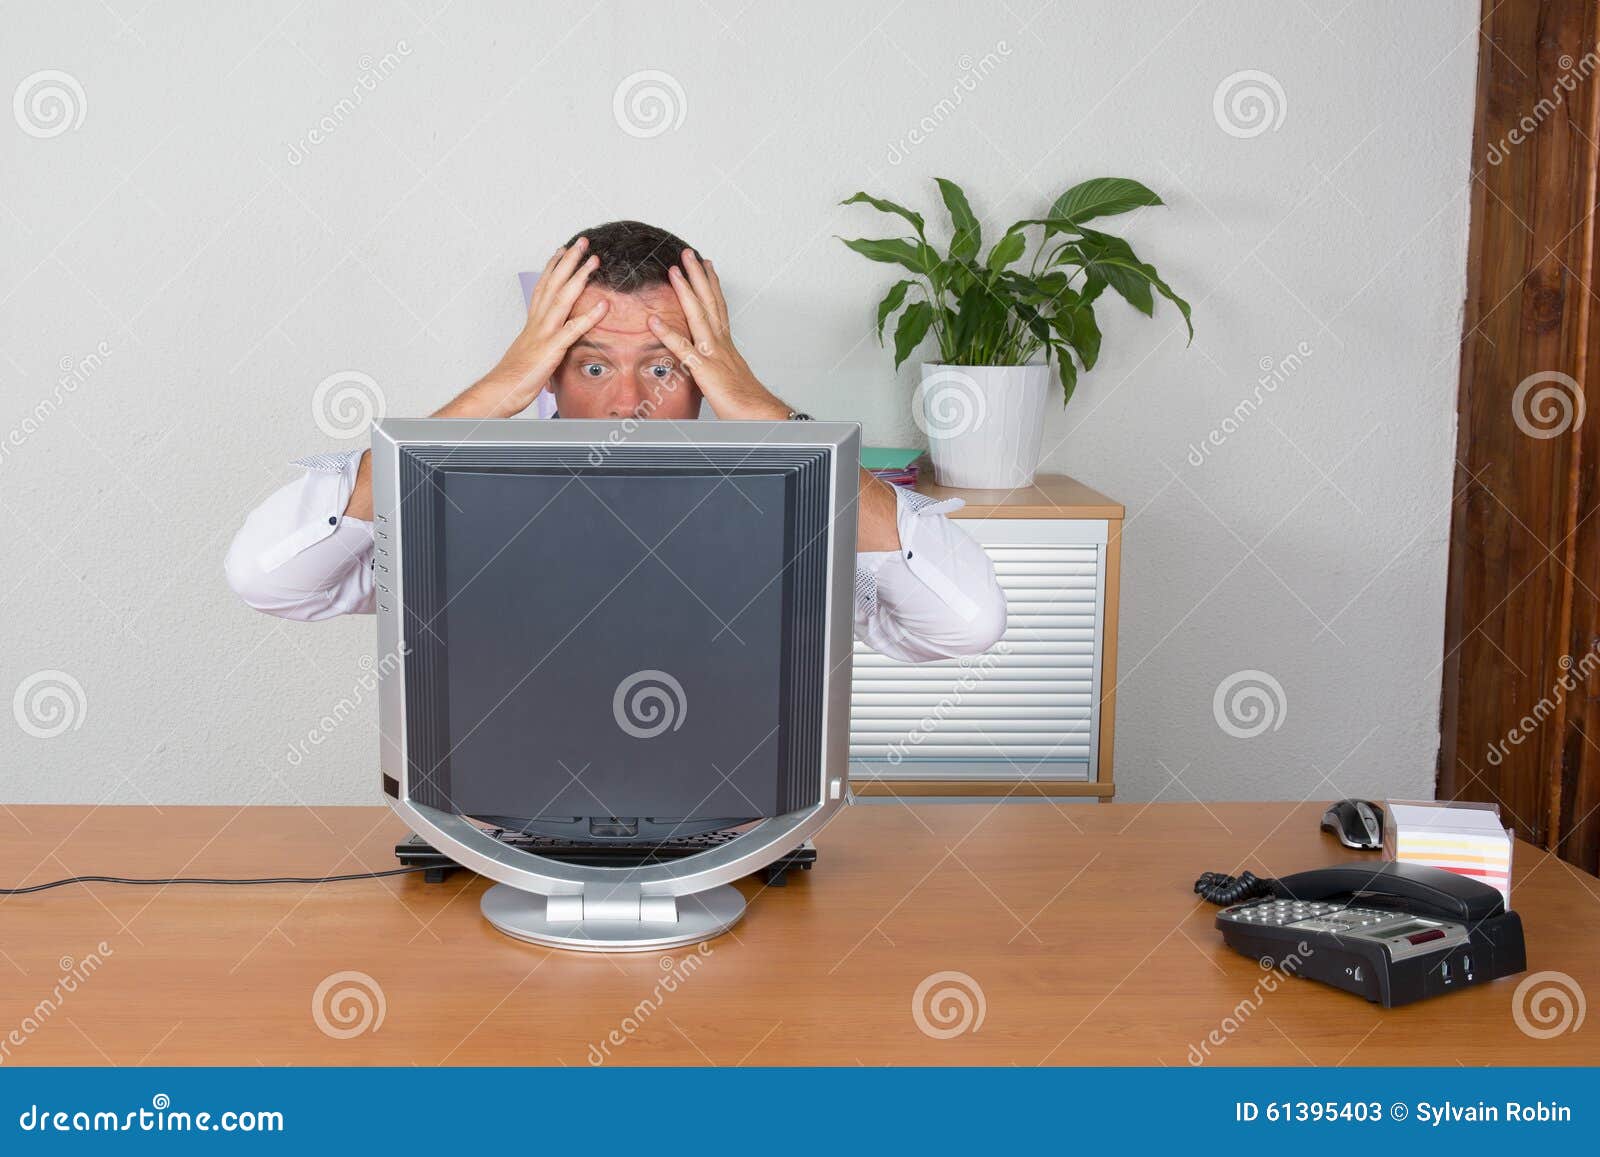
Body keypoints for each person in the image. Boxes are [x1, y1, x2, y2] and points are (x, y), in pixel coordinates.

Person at [224, 220, 1006, 662]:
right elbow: (269, 576)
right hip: (495, 850)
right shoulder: (457, 502)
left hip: (740, 855)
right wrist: (489, 397)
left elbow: (965, 621)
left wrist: (775, 424)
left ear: (711, 376)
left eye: (663, 366)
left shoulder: (786, 509)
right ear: (546, 376)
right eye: (593, 364)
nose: (626, 400)